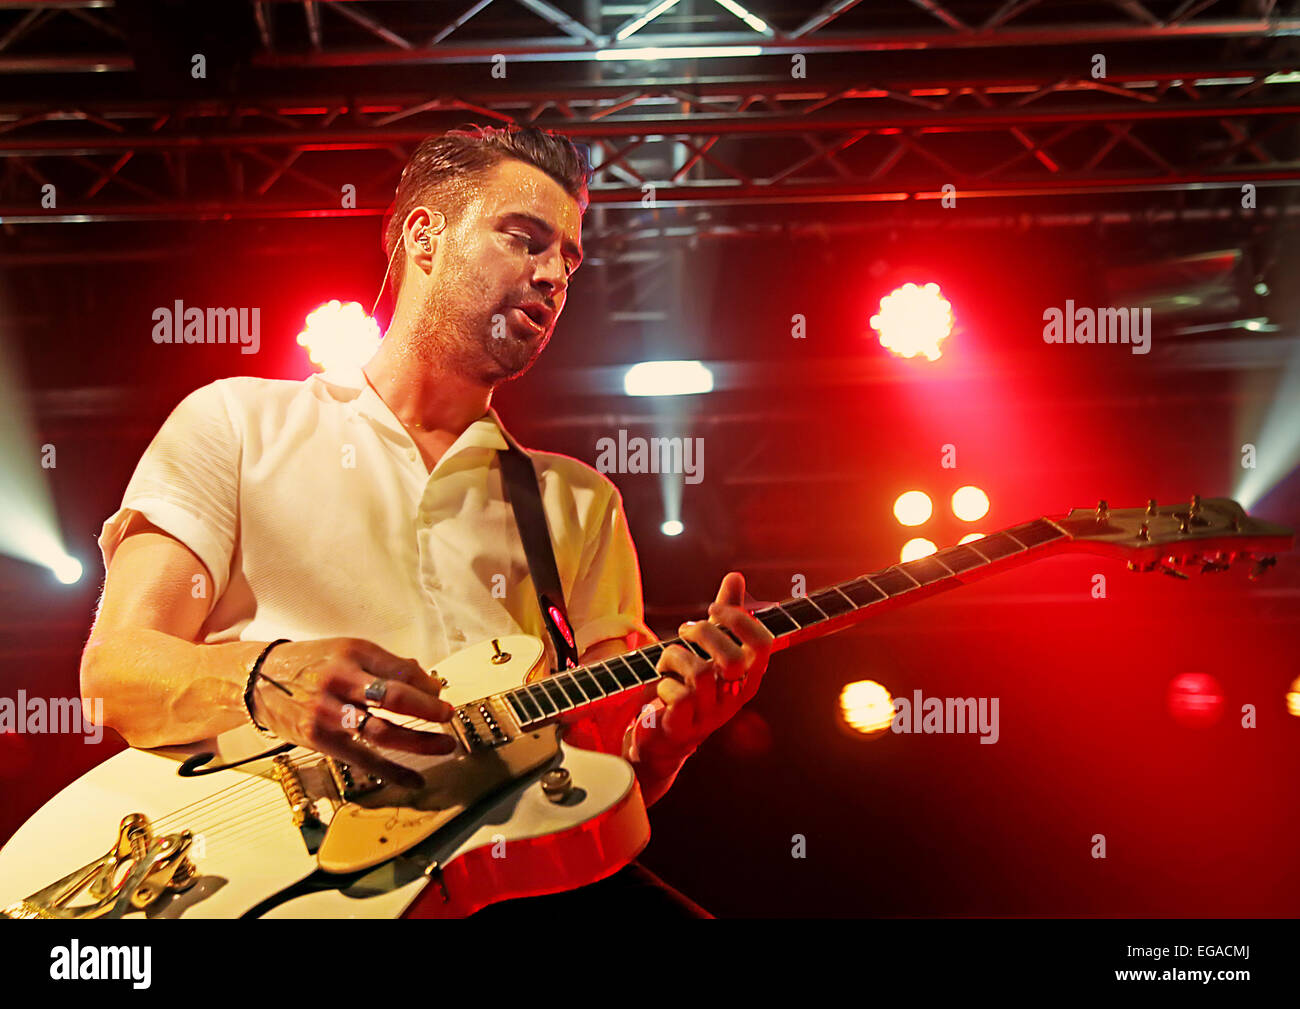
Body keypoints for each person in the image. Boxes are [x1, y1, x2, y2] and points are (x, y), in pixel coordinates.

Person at [80, 124, 773, 917]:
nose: (554, 275)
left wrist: (673, 735)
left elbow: (603, 780)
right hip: (274, 880)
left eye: (569, 259)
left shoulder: (580, 501)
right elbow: (115, 674)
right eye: (525, 239)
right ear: (425, 236)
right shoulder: (236, 421)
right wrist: (265, 676)